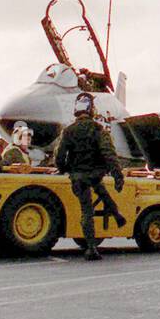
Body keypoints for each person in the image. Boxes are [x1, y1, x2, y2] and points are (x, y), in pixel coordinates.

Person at [54, 93, 125, 262]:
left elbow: (60, 156)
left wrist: (63, 169)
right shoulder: (98, 130)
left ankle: (91, 248)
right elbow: (109, 154)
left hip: (78, 177)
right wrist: (118, 176)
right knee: (101, 190)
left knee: (86, 211)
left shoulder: (68, 131)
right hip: (95, 175)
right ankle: (117, 215)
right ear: (91, 109)